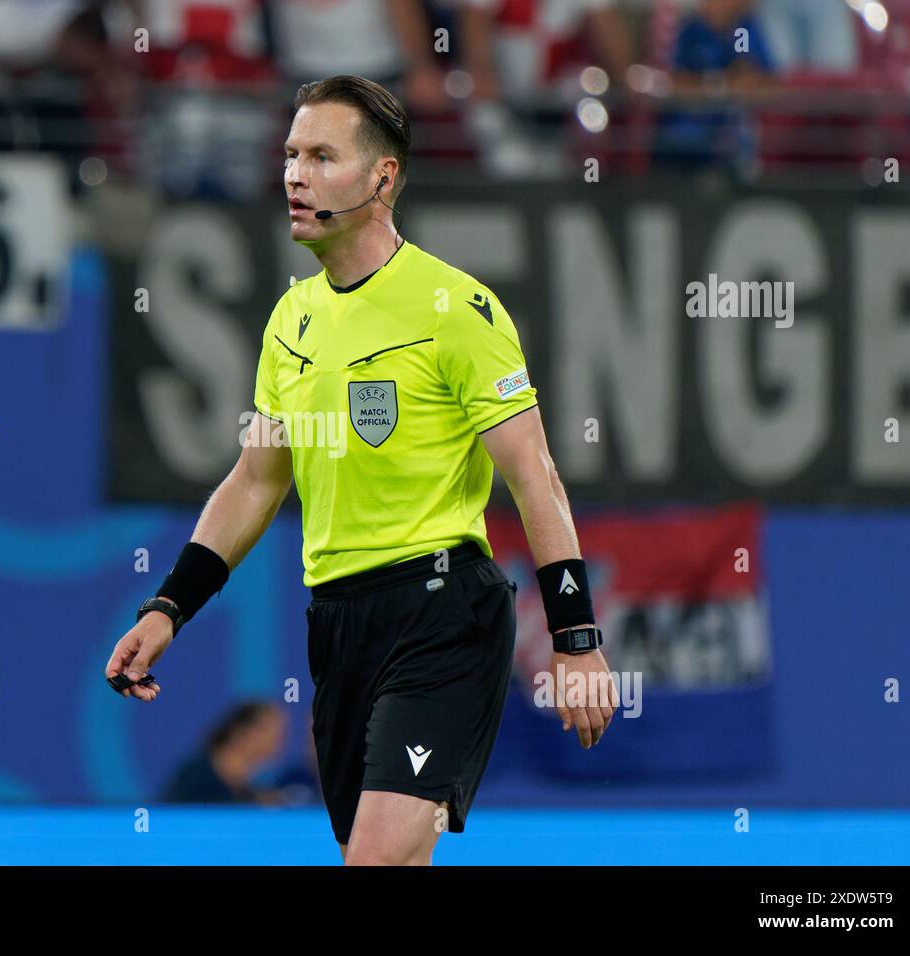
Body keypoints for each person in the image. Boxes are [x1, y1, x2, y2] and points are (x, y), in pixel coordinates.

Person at [105, 74, 616, 866]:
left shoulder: (457, 309)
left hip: (443, 614)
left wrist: (576, 639)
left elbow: (534, 474)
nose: (295, 176)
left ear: (382, 178)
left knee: (373, 858)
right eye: (289, 155)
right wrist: (168, 606)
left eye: (320, 156)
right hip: (339, 625)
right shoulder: (292, 319)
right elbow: (255, 482)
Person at [160, 701, 289, 805]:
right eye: (273, 733)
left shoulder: (251, 791)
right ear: (243, 732)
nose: (279, 740)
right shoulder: (194, 776)